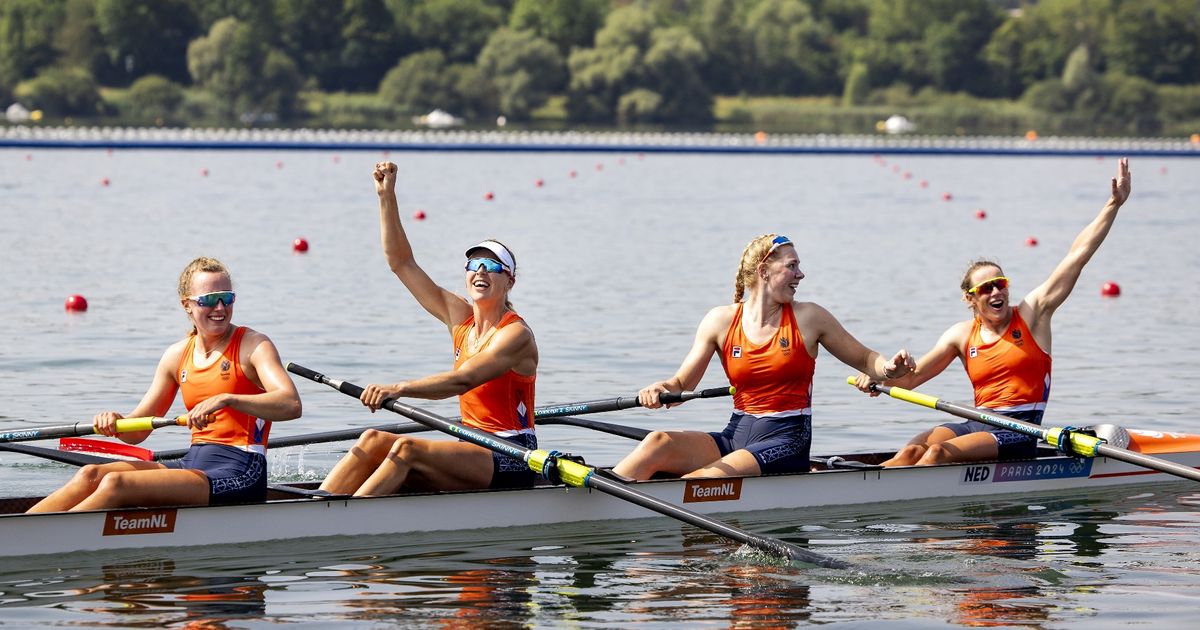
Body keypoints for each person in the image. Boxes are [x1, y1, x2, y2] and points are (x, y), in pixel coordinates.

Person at [858, 158, 1132, 467]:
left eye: (1000, 284)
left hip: (1020, 430)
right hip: (977, 422)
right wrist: (877, 379)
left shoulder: (1032, 315)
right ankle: (867, 486)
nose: (996, 292)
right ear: (970, 298)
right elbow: (909, 381)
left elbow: (1076, 256)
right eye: (986, 288)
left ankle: (900, 489)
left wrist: (1112, 205)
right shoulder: (961, 335)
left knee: (937, 453)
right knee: (911, 451)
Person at [611, 233, 915, 481]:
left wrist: (889, 369)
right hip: (736, 435)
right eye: (792, 266)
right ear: (763, 271)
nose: (801, 274)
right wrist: (660, 388)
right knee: (657, 442)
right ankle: (600, 500)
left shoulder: (810, 318)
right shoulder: (719, 321)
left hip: (787, 441)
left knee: (701, 480)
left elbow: (866, 360)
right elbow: (681, 385)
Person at [317, 161, 538, 496]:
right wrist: (386, 197)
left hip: (512, 455)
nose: (481, 271)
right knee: (372, 439)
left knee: (406, 449)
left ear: (510, 281)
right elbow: (401, 263)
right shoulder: (459, 318)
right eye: (474, 264)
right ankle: (319, 504)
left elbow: (463, 380)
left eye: (492, 266)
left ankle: (343, 519)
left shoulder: (516, 334)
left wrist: (398, 388)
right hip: (471, 446)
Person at [28, 257, 303, 512]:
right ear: (187, 305)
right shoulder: (176, 355)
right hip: (193, 462)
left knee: (116, 483)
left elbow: (290, 403)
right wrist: (115, 422)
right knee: (90, 474)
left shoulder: (253, 345)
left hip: (242, 471)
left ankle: (48, 539)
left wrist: (227, 399)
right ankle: (21, 534)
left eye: (227, 298)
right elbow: (138, 431)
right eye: (209, 300)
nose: (220, 307)